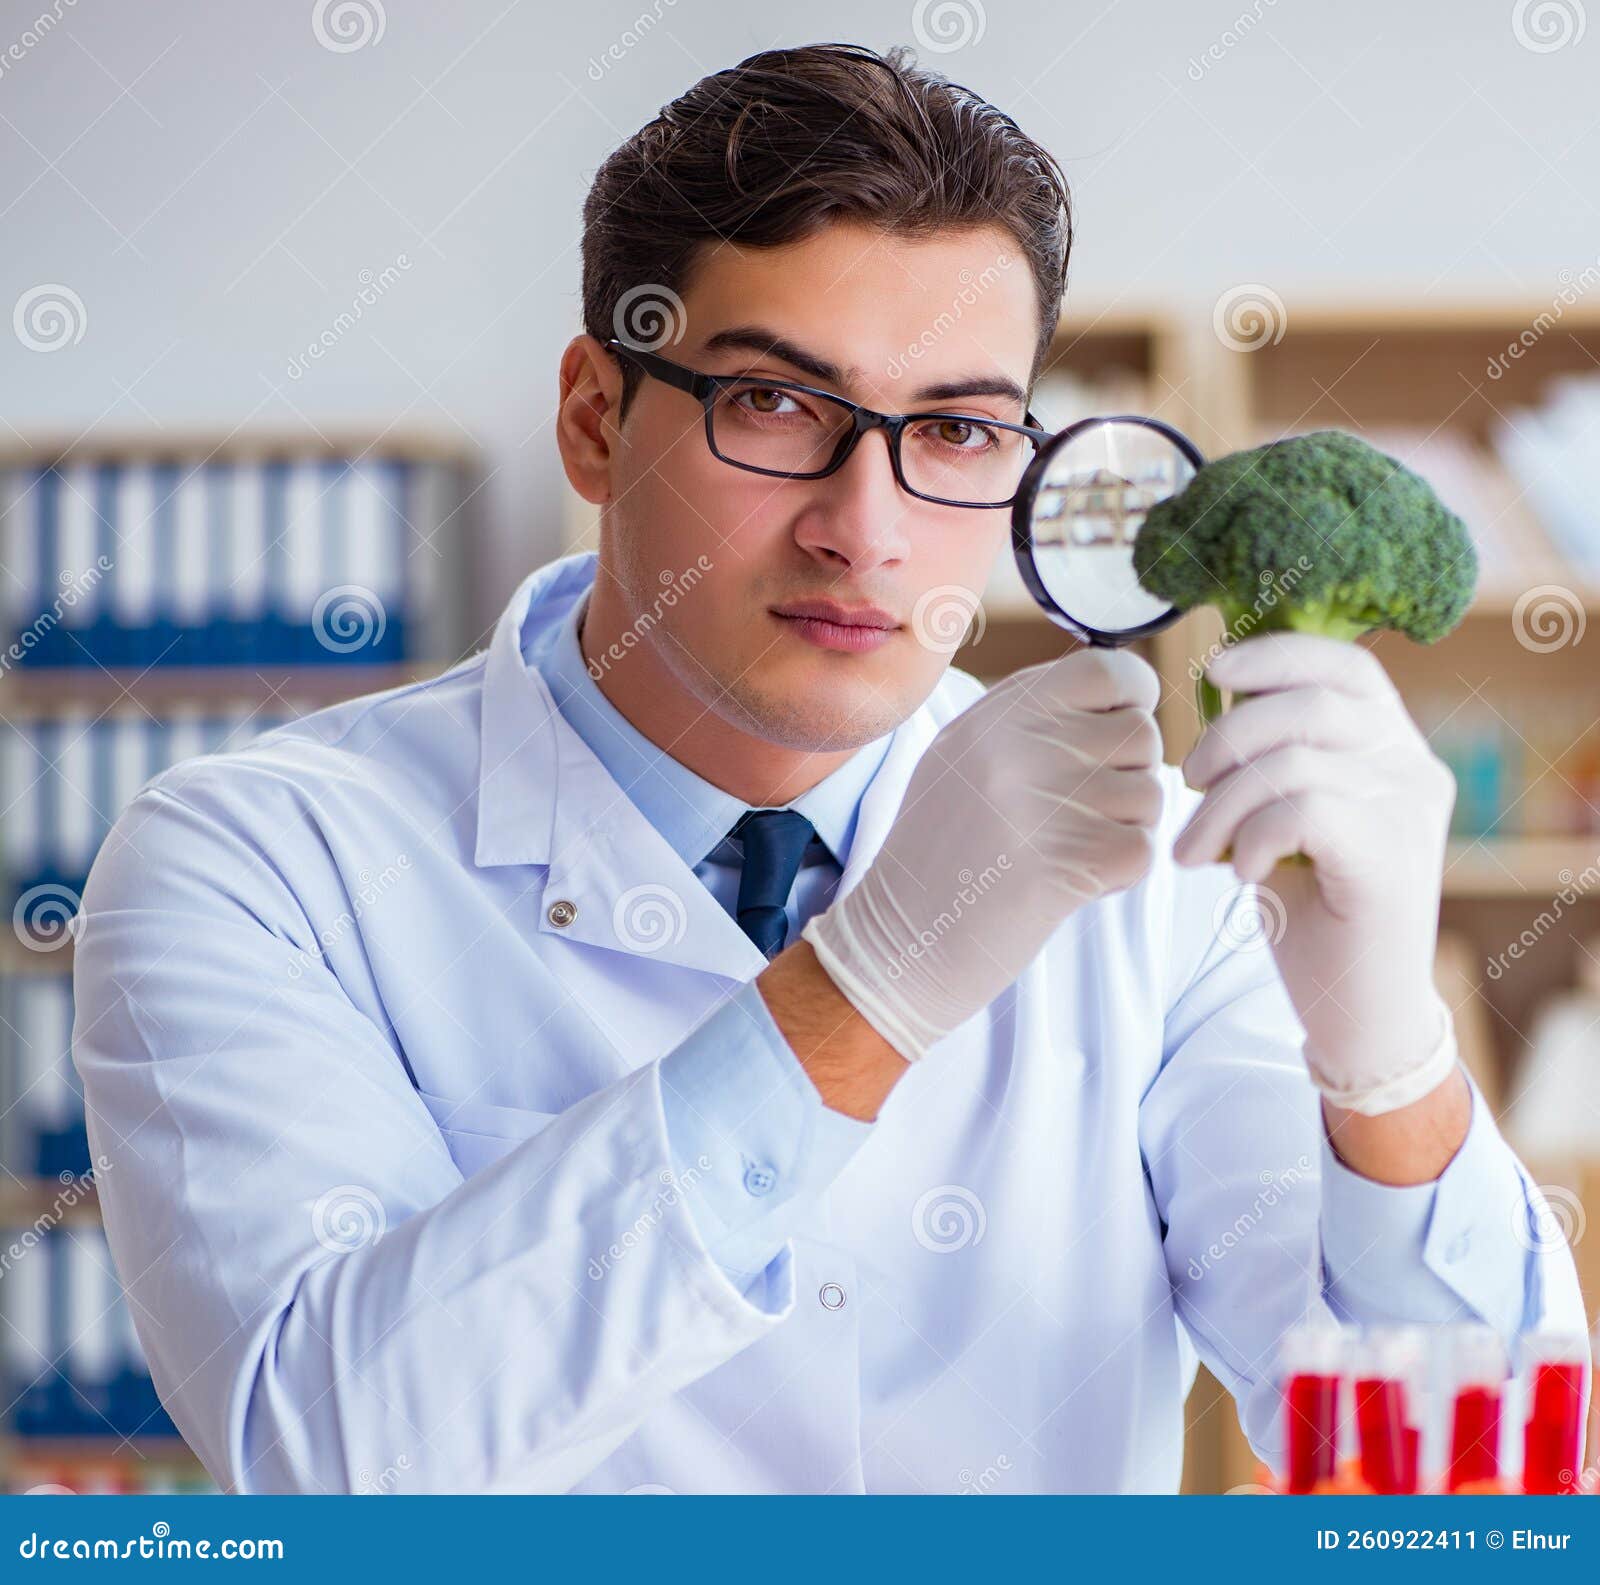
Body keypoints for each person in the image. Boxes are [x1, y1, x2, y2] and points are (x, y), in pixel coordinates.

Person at [72, 41, 1583, 1495]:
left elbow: (1464, 1482)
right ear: (598, 418)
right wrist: (863, 988)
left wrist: (1388, 1068)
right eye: (778, 404)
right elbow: (334, 1461)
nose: (866, 528)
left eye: (958, 431)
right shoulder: (256, 862)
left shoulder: (1172, 887)